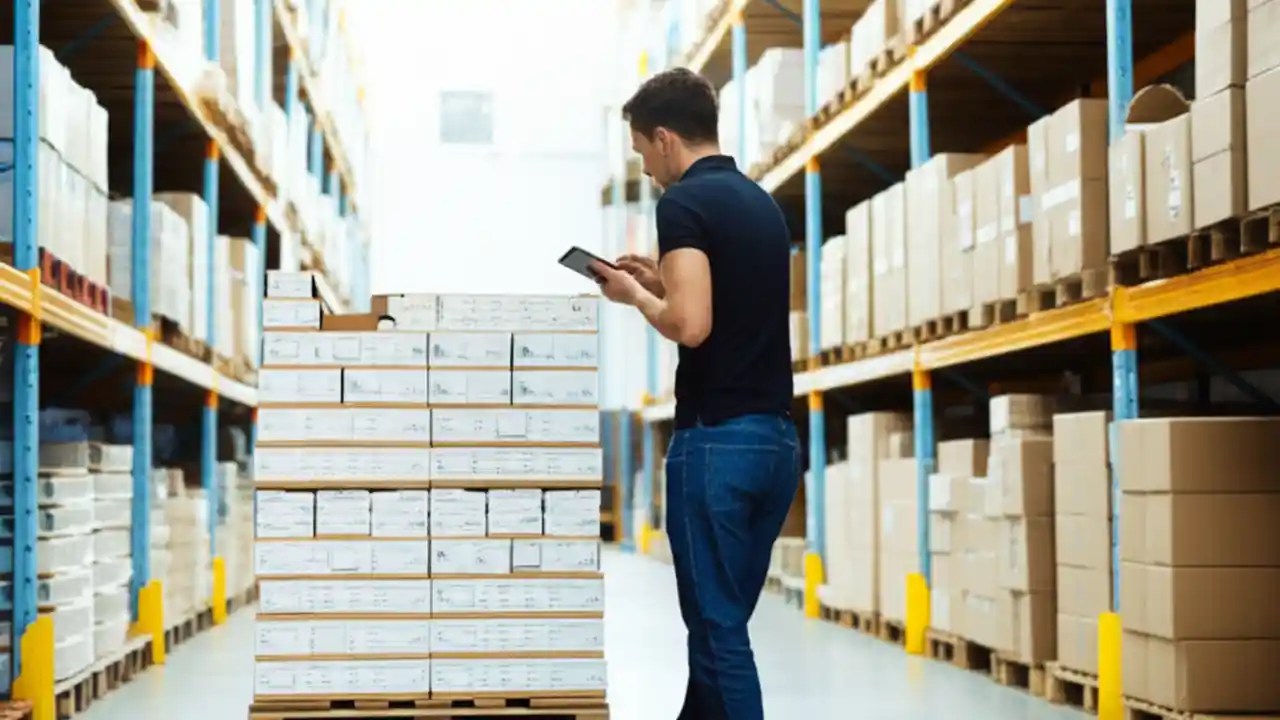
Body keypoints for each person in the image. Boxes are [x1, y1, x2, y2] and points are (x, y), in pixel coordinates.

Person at [592, 67, 801, 720]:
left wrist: (635, 296)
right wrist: (663, 278)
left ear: (664, 139)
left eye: (643, 156)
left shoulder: (681, 204)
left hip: (716, 446)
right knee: (719, 626)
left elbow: (692, 324)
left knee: (718, 634)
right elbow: (728, 297)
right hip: (775, 445)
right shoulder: (759, 203)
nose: (649, 172)